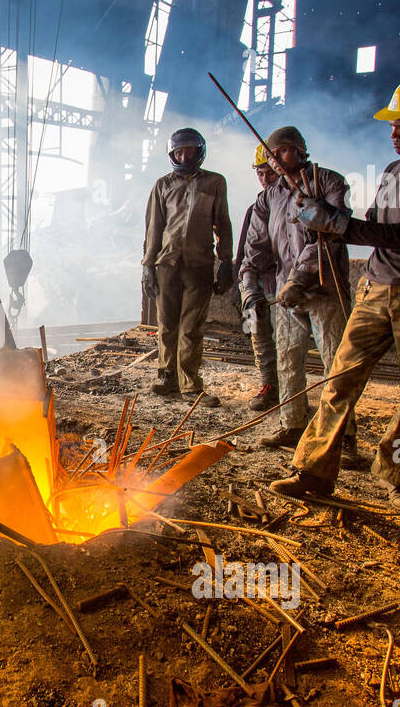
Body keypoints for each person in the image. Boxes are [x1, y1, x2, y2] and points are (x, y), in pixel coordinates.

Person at [272, 70, 400, 512]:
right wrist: (326, 225)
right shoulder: (393, 171)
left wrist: (337, 223)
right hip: (376, 288)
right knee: (340, 378)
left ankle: (397, 479)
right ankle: (313, 472)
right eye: (393, 125)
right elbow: (377, 226)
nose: (394, 133)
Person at [240, 128, 361, 464]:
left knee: (336, 363)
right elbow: (257, 246)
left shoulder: (330, 184)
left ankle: (344, 435)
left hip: (324, 289)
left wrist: (299, 278)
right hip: (285, 291)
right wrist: (249, 283)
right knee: (288, 359)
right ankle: (292, 424)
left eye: (280, 153)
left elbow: (330, 237)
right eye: (271, 155)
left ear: (299, 151)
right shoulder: (269, 198)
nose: (274, 162)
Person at [141, 127, 233, 407]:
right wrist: (147, 266)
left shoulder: (215, 183)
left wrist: (226, 262)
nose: (184, 155)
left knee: (191, 326)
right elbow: (154, 229)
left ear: (199, 151)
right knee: (167, 325)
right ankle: (167, 377)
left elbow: (223, 224)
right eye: (179, 151)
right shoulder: (162, 185)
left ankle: (190, 385)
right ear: (172, 154)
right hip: (166, 263)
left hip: (200, 264)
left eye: (189, 150)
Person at [236, 143, 279, 411]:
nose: (265, 178)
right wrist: (240, 286)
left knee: (288, 343)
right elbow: (244, 250)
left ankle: (291, 394)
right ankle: (269, 386)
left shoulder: (295, 203)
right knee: (260, 336)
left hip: (286, 283)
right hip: (260, 283)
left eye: (270, 173)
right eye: (260, 173)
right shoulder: (255, 209)